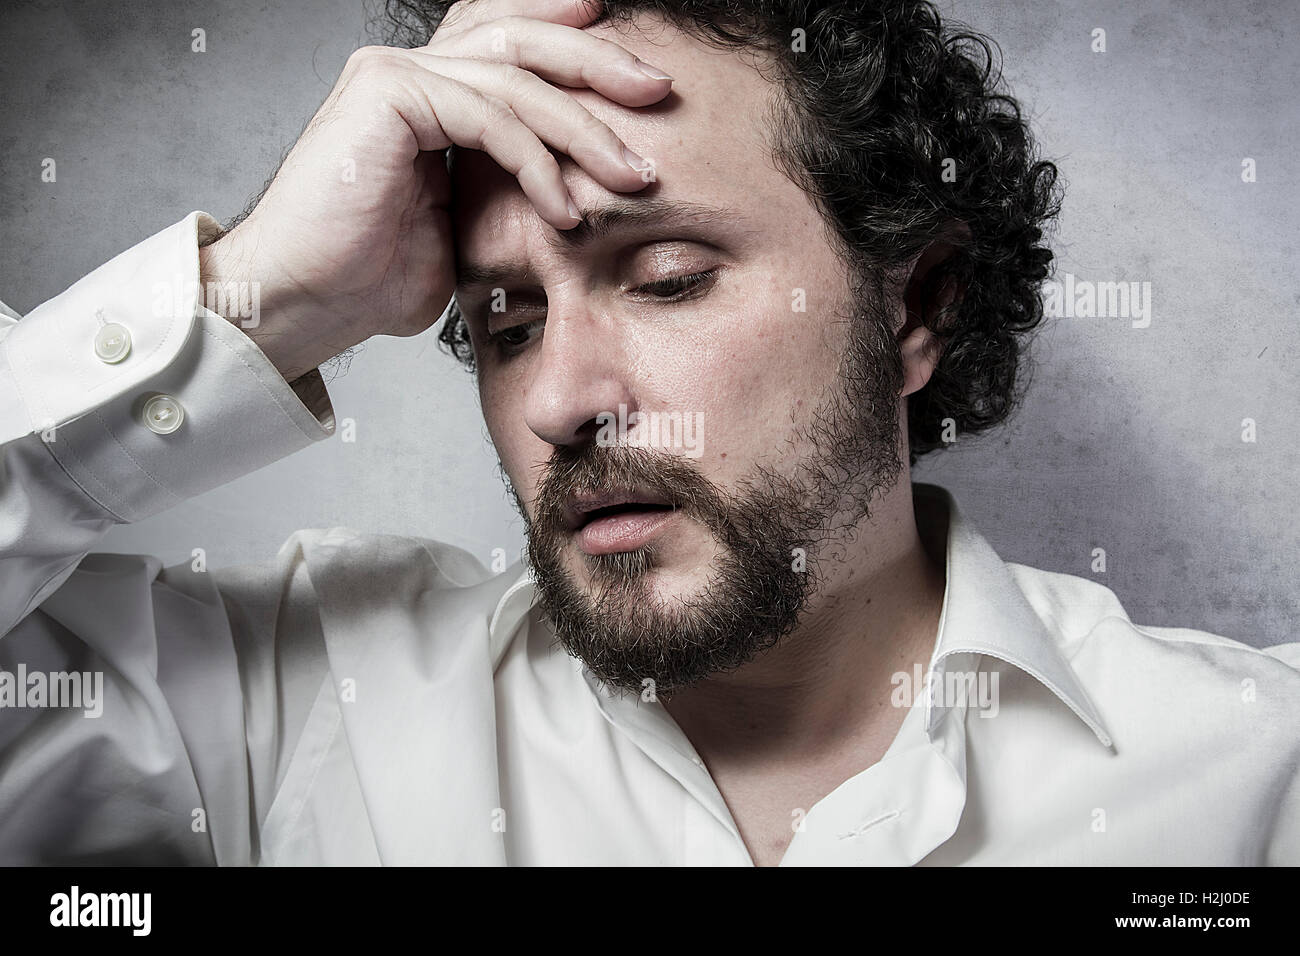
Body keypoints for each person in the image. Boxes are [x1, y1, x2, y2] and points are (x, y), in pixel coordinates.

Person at [0, 0, 1295, 866]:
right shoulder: (277, 708)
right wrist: (264, 295)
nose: (560, 398)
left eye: (668, 277)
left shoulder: (1253, 778)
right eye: (505, 319)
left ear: (920, 307)